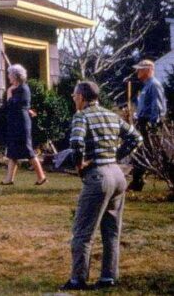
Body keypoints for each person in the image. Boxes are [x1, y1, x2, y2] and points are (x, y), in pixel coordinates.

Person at [61, 80, 143, 291]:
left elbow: (76, 142)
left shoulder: (81, 116)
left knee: (83, 231)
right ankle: (109, 277)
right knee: (112, 231)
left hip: (98, 177)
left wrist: (79, 164)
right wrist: (116, 156)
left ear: (81, 97)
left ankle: (77, 280)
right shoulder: (111, 115)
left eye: (74, 95)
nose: (72, 98)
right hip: (117, 175)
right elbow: (136, 137)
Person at [0, 64, 46, 186]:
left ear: (15, 76)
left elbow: (12, 105)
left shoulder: (23, 89)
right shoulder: (18, 89)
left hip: (21, 124)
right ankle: (9, 179)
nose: (8, 76)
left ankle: (41, 176)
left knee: (28, 150)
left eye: (10, 74)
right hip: (15, 123)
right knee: (13, 151)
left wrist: (9, 92)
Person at [129, 59, 165, 191]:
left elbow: (158, 106)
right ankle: (137, 182)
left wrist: (153, 123)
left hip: (149, 125)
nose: (137, 71)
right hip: (143, 122)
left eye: (140, 69)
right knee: (141, 152)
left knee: (147, 153)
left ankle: (137, 183)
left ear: (148, 70)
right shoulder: (146, 86)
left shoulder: (154, 85)